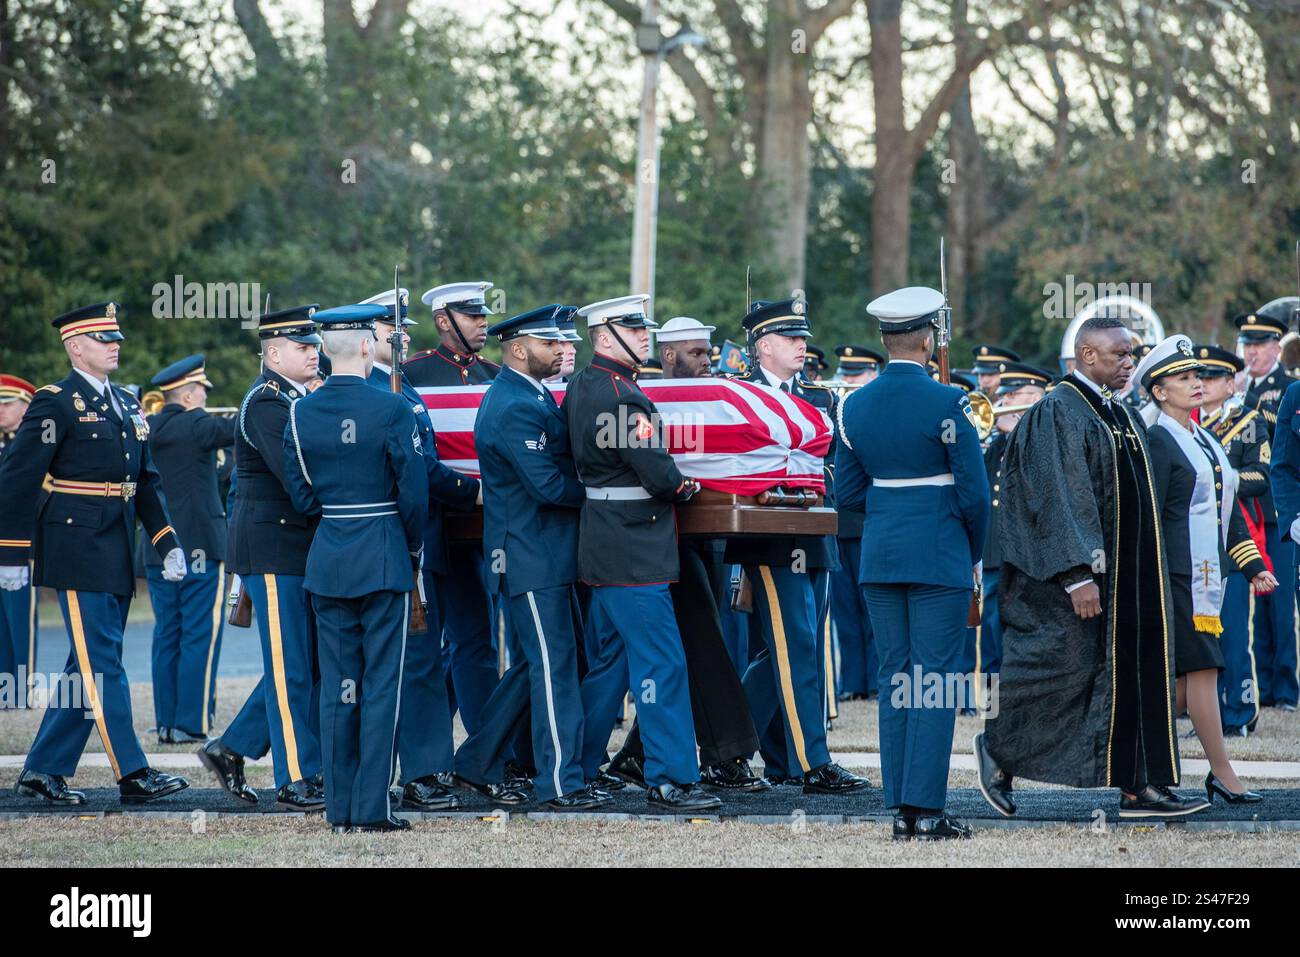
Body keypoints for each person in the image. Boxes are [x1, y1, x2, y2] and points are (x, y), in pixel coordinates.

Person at [974, 314, 1210, 820]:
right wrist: (1077, 573)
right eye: (1120, 354)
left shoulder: (1118, 413)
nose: (1131, 362)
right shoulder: (1058, 411)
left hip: (1130, 581)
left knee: (1133, 678)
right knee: (1059, 675)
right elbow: (1055, 498)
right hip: (1072, 582)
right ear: (1087, 356)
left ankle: (1137, 784)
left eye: (1131, 353)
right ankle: (998, 751)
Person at [0, 302, 189, 805]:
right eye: (103, 339)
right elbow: (16, 481)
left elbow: (144, 481)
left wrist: (166, 539)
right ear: (75, 346)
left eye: (116, 339)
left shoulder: (126, 403)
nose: (115, 346)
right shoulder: (54, 402)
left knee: (85, 664)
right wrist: (12, 554)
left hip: (116, 542)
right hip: (75, 543)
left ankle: (43, 768)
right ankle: (133, 771)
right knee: (103, 660)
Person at [835, 287, 987, 840]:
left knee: (896, 677)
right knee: (936, 681)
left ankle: (900, 808)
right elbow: (974, 494)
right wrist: (971, 552)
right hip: (939, 554)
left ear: (884, 339)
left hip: (880, 555)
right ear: (928, 339)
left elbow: (848, 494)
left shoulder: (853, 405)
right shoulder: (949, 402)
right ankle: (926, 808)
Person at [451, 305, 610, 809]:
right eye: (551, 344)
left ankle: (475, 764)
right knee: (554, 668)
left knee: (537, 666)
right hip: (529, 555)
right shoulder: (513, 404)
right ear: (518, 349)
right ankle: (559, 783)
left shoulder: (533, 395)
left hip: (546, 553)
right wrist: (605, 492)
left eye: (565, 342)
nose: (565, 349)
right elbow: (544, 484)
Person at [566, 293, 721, 811]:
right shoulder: (623, 396)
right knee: (662, 663)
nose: (644, 337)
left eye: (643, 329)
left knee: (611, 662)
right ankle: (670, 778)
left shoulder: (583, 385)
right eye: (633, 330)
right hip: (634, 546)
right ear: (605, 336)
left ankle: (579, 765)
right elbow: (657, 472)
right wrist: (687, 489)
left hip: (603, 540)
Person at [604, 314, 768, 792]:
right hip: (652, 535)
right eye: (697, 353)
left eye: (709, 353)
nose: (707, 361)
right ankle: (723, 753)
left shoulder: (715, 398)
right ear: (669, 354)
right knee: (692, 643)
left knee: (694, 644)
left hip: (702, 532)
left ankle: (638, 754)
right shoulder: (640, 397)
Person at [281, 304, 428, 832]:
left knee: (339, 687)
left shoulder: (301, 411)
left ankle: (340, 809)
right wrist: (411, 550)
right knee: (382, 684)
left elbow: (300, 494)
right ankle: (371, 809)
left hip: (329, 558)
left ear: (324, 350)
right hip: (384, 553)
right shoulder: (393, 409)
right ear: (368, 346)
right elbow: (414, 494)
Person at [726, 298, 867, 794]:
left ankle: (740, 751)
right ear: (763, 346)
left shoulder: (820, 398)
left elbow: (831, 471)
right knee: (796, 645)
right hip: (769, 537)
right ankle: (813, 763)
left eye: (802, 337)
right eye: (790, 338)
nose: (802, 345)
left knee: (788, 651)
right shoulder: (739, 396)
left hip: (813, 532)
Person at [198, 305, 325, 810]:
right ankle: (295, 777)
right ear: (273, 353)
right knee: (292, 663)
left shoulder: (295, 398)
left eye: (314, 345)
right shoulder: (267, 403)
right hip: (273, 548)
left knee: (303, 660)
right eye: (302, 347)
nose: (314, 353)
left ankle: (232, 748)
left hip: (294, 546)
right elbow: (299, 474)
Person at [1139, 335, 1270, 804]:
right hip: (1175, 577)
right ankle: (1219, 772)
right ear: (1158, 391)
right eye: (1183, 378)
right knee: (1202, 671)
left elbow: (1226, 508)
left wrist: (1252, 564)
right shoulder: (1156, 440)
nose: (1195, 383)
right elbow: (1146, 513)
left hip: (1206, 575)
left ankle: (1152, 772)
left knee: (1191, 676)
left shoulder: (1204, 438)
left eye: (1197, 376)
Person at [360, 286, 478, 811]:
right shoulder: (373, 393)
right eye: (393, 330)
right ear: (367, 337)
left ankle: (425, 769)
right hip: (391, 539)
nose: (404, 337)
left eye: (405, 329)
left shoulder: (398, 388)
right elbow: (418, 472)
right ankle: (411, 773)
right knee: (410, 661)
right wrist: (474, 490)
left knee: (420, 658)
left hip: (417, 537)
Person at [404, 281, 501, 735]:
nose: (483, 323)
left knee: (476, 641)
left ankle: (485, 747)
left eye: (483, 315)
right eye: (472, 316)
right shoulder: (412, 374)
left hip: (482, 528)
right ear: (444, 322)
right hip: (434, 527)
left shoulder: (494, 374)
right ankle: (430, 748)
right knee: (432, 646)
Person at [144, 355, 236, 745]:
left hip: (158, 544)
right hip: (199, 543)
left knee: (167, 633)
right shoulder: (196, 423)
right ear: (187, 392)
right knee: (199, 633)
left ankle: (166, 722)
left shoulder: (148, 426)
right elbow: (236, 430)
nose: (204, 396)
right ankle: (191, 722)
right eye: (201, 390)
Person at [1198, 344, 1271, 736]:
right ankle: (1208, 712)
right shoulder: (1188, 424)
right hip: (1196, 542)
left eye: (1211, 378)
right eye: (1199, 377)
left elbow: (1262, 475)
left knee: (1234, 632)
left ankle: (1241, 711)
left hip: (1234, 540)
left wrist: (1224, 482)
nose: (1203, 384)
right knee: (1203, 635)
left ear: (1231, 383)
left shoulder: (1250, 421)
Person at [964, 361, 1051, 691]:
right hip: (995, 547)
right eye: (1011, 395)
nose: (1016, 402)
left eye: (1025, 395)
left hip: (1030, 548)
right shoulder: (994, 443)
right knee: (989, 622)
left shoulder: (1045, 436)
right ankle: (990, 687)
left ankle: (1021, 686)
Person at [1236, 309, 1299, 711]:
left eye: (1260, 345)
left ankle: (1286, 688)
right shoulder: (1238, 391)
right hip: (1247, 512)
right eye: (1248, 345)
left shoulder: (1287, 387)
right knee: (1258, 607)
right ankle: (1265, 684)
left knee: (1281, 604)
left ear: (1277, 348)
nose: (1252, 353)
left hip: (1277, 516)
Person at [0, 374, 38, 708]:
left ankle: (20, 690)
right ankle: (4, 690)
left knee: (20, 622)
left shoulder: (33, 442)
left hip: (22, 547)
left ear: (26, 407)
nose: (0, 411)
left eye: (7, 404)